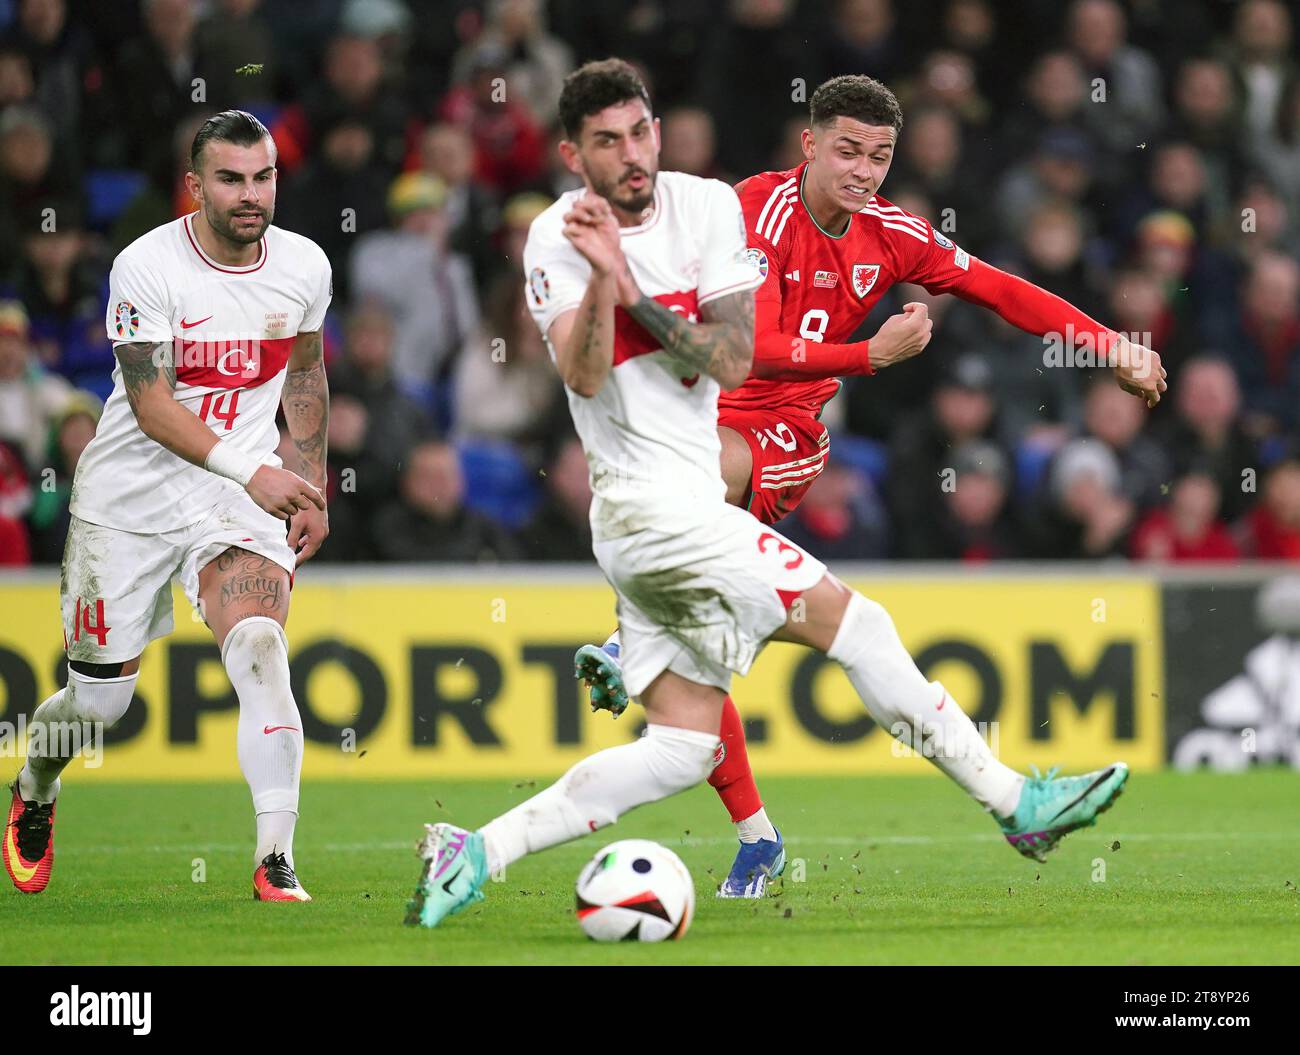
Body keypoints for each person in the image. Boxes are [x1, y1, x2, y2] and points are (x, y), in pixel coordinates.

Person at [404, 60, 1148, 930]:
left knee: (682, 744)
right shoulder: (579, 236)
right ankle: (1016, 802)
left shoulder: (709, 209)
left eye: (641, 131)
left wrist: (1110, 345)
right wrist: (620, 280)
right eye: (848, 152)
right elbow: (610, 364)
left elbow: (757, 347)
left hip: (747, 459)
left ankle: (477, 849)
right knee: (859, 625)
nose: (864, 172)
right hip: (660, 502)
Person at [2, 111, 331, 902]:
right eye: (231, 179)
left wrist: (310, 477)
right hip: (130, 499)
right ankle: (36, 783)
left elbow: (306, 372)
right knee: (100, 702)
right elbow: (151, 405)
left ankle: (275, 858)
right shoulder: (146, 266)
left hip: (234, 499)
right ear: (195, 186)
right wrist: (252, 469)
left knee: (259, 644)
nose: (251, 196)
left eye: (263, 177)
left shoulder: (305, 264)